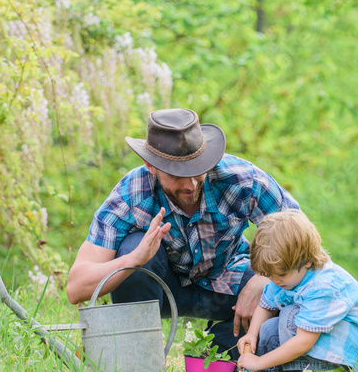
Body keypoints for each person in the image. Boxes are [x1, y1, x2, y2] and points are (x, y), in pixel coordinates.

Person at [65, 108, 300, 358]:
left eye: (196, 169)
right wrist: (133, 260)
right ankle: (140, 364)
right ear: (150, 165)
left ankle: (221, 353)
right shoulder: (129, 195)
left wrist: (263, 280)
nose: (190, 185)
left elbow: (302, 244)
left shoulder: (243, 180)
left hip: (228, 284)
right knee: (132, 247)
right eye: (177, 175)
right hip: (156, 288)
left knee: (281, 283)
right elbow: (76, 287)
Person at [236, 209, 358, 372]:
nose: (274, 280)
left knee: (290, 316)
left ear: (307, 261)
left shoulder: (323, 286)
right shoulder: (283, 279)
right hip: (320, 336)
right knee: (269, 327)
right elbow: (265, 305)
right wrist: (251, 334)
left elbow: (303, 341)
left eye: (280, 274)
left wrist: (258, 362)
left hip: (352, 349)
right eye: (269, 276)